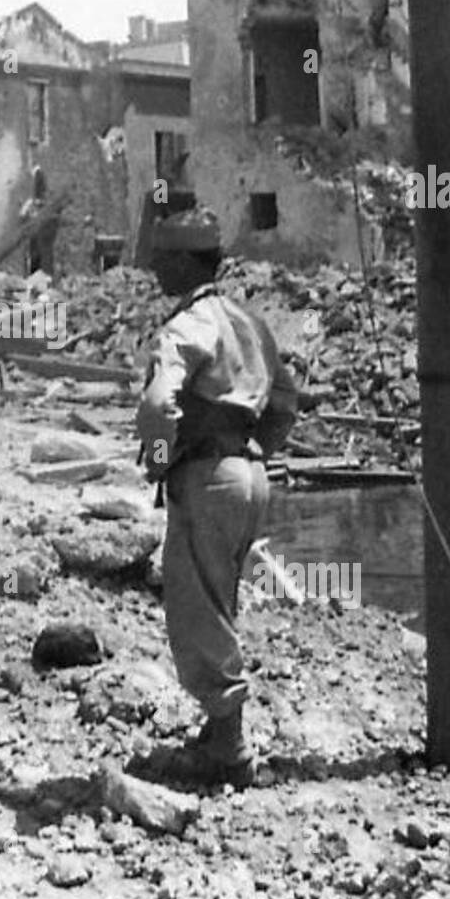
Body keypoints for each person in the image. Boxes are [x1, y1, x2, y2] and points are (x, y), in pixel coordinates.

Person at [135, 207, 299, 788]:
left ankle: (228, 746)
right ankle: (220, 728)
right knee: (221, 599)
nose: (154, 268)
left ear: (183, 261)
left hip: (207, 476)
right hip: (250, 475)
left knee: (196, 607)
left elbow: (159, 405)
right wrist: (255, 451)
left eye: (162, 257)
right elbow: (285, 400)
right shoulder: (246, 320)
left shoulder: (188, 325)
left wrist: (158, 459)